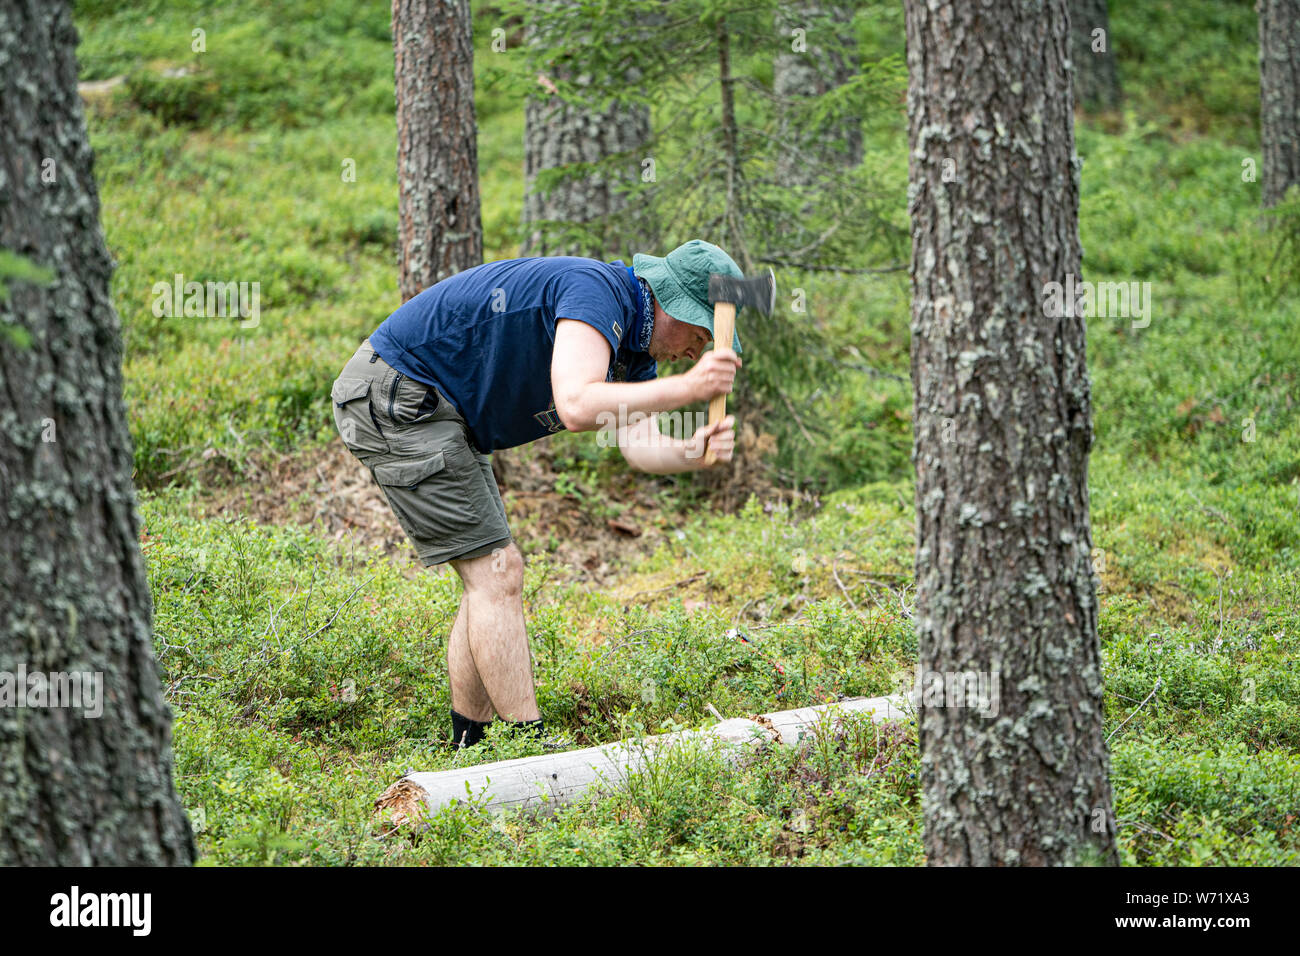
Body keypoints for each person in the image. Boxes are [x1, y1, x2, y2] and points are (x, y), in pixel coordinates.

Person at [330, 238, 745, 747]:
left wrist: (693, 452)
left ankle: (470, 744)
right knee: (497, 573)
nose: (694, 352)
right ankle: (533, 752)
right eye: (699, 334)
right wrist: (688, 390)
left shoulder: (634, 354)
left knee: (490, 576)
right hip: (398, 393)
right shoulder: (596, 293)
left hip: (437, 411)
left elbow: (639, 445)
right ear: (669, 301)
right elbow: (575, 404)